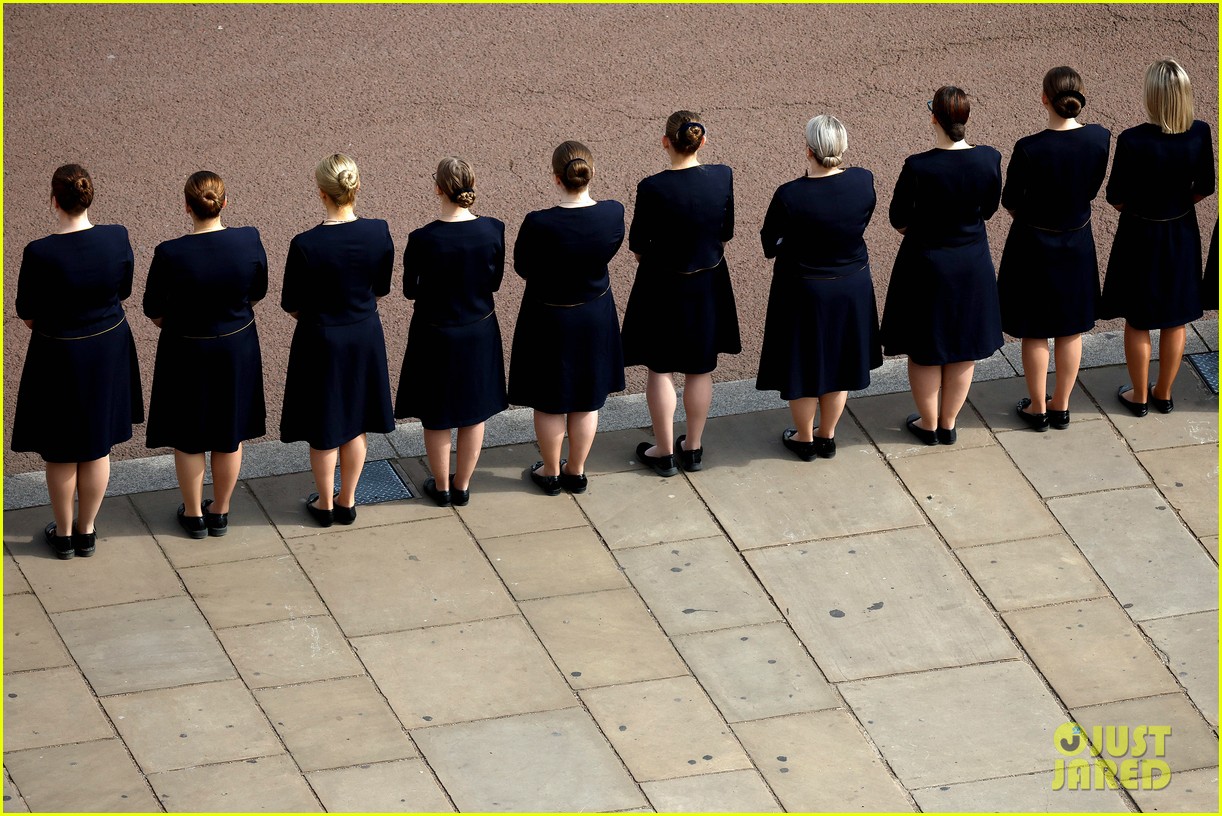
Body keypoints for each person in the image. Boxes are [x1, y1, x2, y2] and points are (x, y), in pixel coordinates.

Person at [11, 164, 143, 559]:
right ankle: (87, 531)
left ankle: (64, 534)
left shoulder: (39, 252)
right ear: (90, 197)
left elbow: (28, 312)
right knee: (97, 444)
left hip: (59, 353)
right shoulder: (117, 237)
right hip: (106, 348)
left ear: (54, 200)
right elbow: (124, 290)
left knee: (61, 447)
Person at [144, 171, 268, 537]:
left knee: (189, 434)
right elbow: (257, 290)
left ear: (187, 206)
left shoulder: (170, 253)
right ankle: (221, 510)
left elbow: (154, 309)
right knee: (229, 433)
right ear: (224, 202)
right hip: (236, 347)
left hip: (186, 349)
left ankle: (195, 514)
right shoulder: (249, 239)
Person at [880, 86, 1003, 445]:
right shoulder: (988, 159)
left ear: (934, 117)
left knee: (925, 346)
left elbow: (899, 219)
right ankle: (948, 423)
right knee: (963, 345)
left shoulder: (918, 166)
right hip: (971, 262)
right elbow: (989, 210)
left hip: (926, 265)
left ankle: (929, 423)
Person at [621, 110, 739, 475]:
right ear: (702, 140)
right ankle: (693, 447)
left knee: (660, 368)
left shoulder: (652, 186)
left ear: (665, 142)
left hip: (662, 285)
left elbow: (638, 244)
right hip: (707, 282)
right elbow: (726, 231)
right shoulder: (722, 176)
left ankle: (664, 450)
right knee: (699, 368)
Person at [757, 114, 881, 460]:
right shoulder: (862, 181)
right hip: (850, 285)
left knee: (801, 365)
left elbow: (770, 245)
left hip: (803, 290)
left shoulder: (790, 195)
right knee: (839, 362)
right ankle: (827, 435)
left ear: (808, 150)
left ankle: (804, 437)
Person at [280, 154, 394, 526]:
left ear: (321, 193)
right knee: (356, 418)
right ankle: (348, 500)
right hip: (363, 333)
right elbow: (381, 288)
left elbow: (291, 304)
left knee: (324, 422)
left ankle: (325, 503)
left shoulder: (305, 244)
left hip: (320, 338)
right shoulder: (379, 231)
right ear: (356, 188)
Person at [508, 141, 625, 494]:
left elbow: (522, 267)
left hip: (548, 317)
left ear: (556, 178)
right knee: (587, 397)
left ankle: (550, 470)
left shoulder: (539, 223)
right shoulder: (613, 212)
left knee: (549, 399)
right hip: (594, 314)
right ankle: (576, 470)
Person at [998, 67, 1110, 431]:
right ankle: (1061, 405)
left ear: (1045, 98)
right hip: (1077, 241)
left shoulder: (1030, 148)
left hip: (1033, 244)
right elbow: (1092, 188)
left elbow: (1011, 200)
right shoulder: (1099, 138)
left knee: (1034, 329)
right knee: (1070, 328)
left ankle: (1037, 407)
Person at [1102, 58, 1215, 416]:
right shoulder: (1200, 132)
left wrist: (1142, 208)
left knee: (1137, 319)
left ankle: (1138, 395)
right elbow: (1206, 187)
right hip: (1180, 230)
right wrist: (1177, 203)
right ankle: (1163, 393)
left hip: (1139, 233)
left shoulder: (1132, 140)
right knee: (1174, 316)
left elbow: (1115, 195)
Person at [396, 157, 507, 507]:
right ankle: (462, 485)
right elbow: (495, 280)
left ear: (438, 189)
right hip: (478, 328)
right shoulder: (493, 228)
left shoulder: (423, 238)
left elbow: (410, 290)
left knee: (437, 412)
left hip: (435, 332)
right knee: (473, 411)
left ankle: (441, 486)